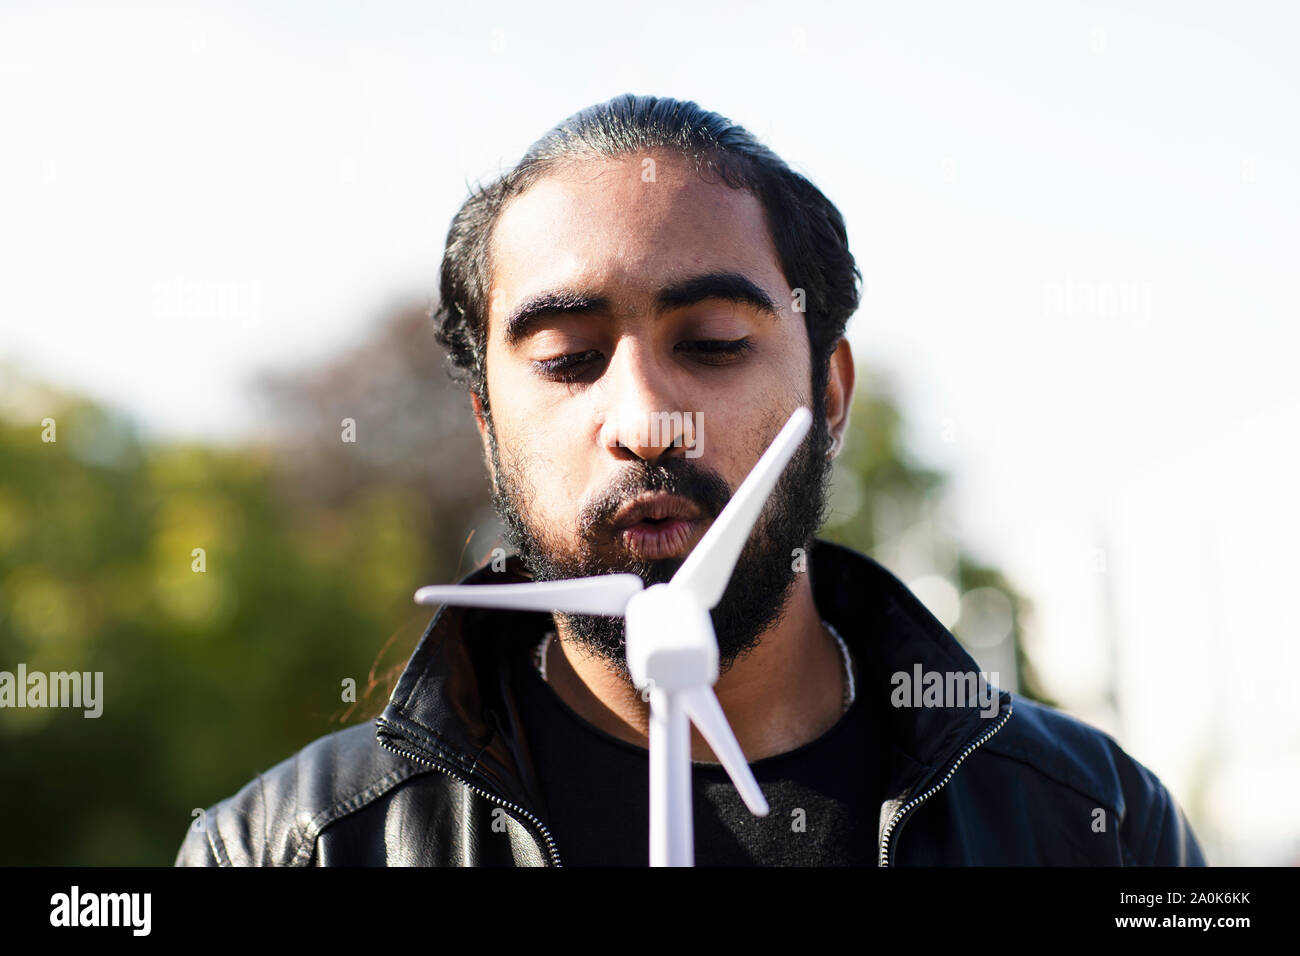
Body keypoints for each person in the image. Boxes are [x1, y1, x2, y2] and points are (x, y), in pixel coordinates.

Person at [175, 94, 1204, 867]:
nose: (642, 420)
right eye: (567, 359)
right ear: (486, 423)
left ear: (829, 391)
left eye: (712, 342)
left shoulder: (1089, 821)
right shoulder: (284, 848)